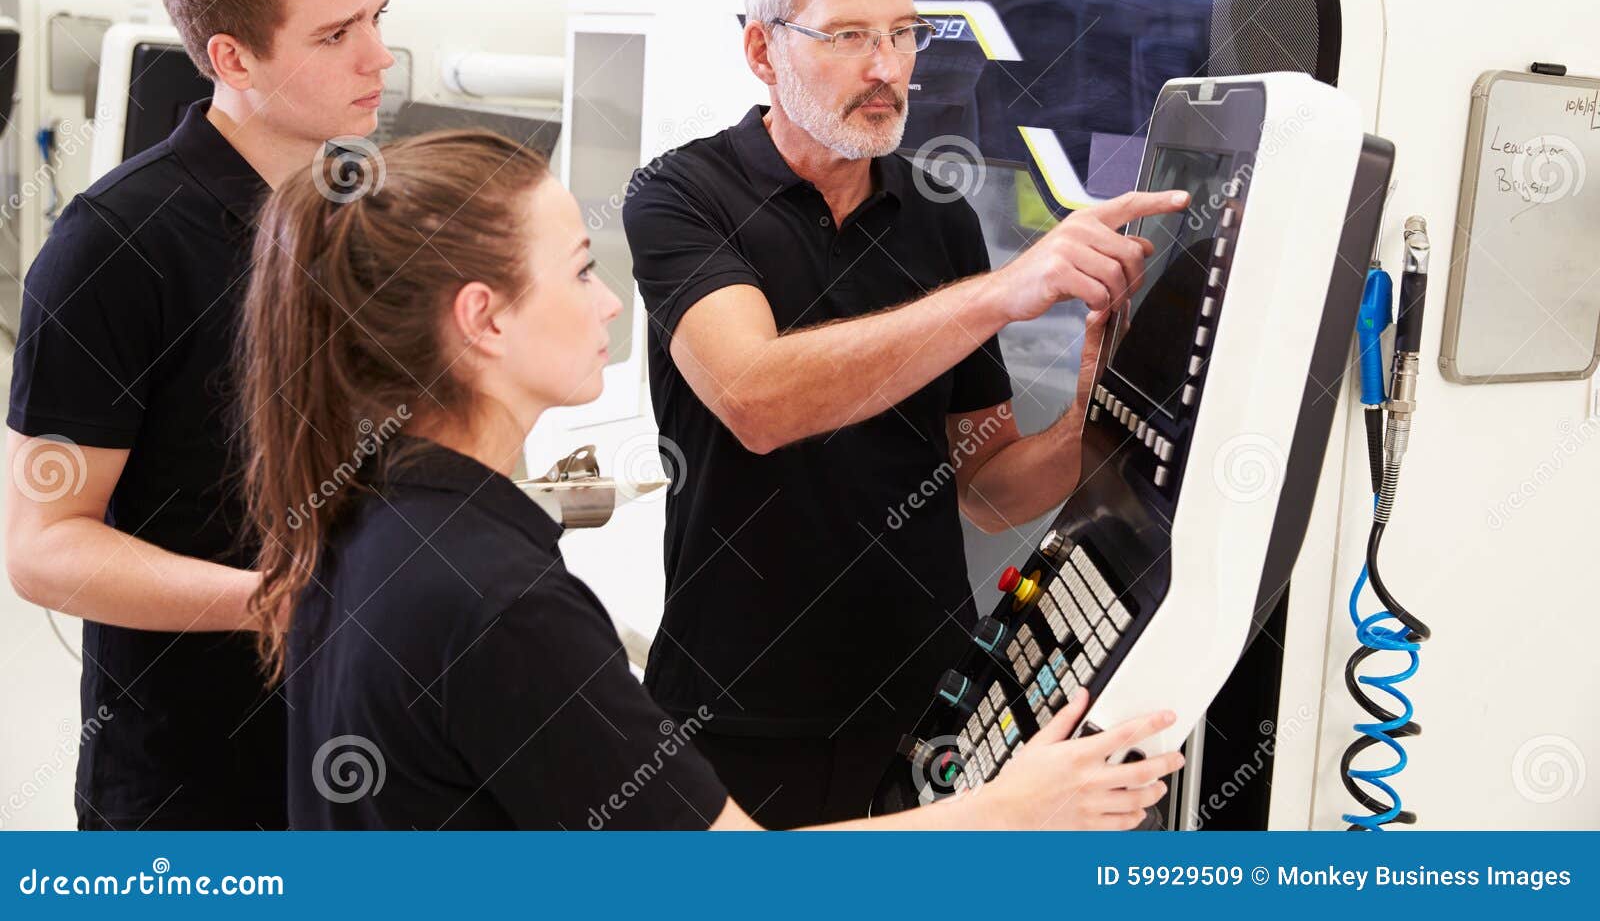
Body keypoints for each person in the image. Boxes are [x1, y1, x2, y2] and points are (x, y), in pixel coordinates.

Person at [235, 128, 1184, 830]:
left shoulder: (373, 518)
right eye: (577, 272)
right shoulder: (497, 602)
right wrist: (1015, 810)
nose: (608, 300)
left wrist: (1094, 420)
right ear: (483, 317)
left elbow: (986, 477)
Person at [620, 0, 1189, 826]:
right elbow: (757, 399)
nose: (887, 69)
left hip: (930, 704)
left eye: (902, 34)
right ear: (763, 51)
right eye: (847, 35)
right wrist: (1000, 294)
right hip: (741, 712)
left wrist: (1093, 415)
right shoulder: (684, 196)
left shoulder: (938, 219)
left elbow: (988, 487)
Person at [4, 0, 394, 829]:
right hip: (190, 790)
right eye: (336, 35)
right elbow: (45, 546)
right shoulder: (115, 245)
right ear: (233, 56)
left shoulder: (367, 212)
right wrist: (280, 602)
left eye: (378, 17)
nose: (380, 57)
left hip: (365, 754)